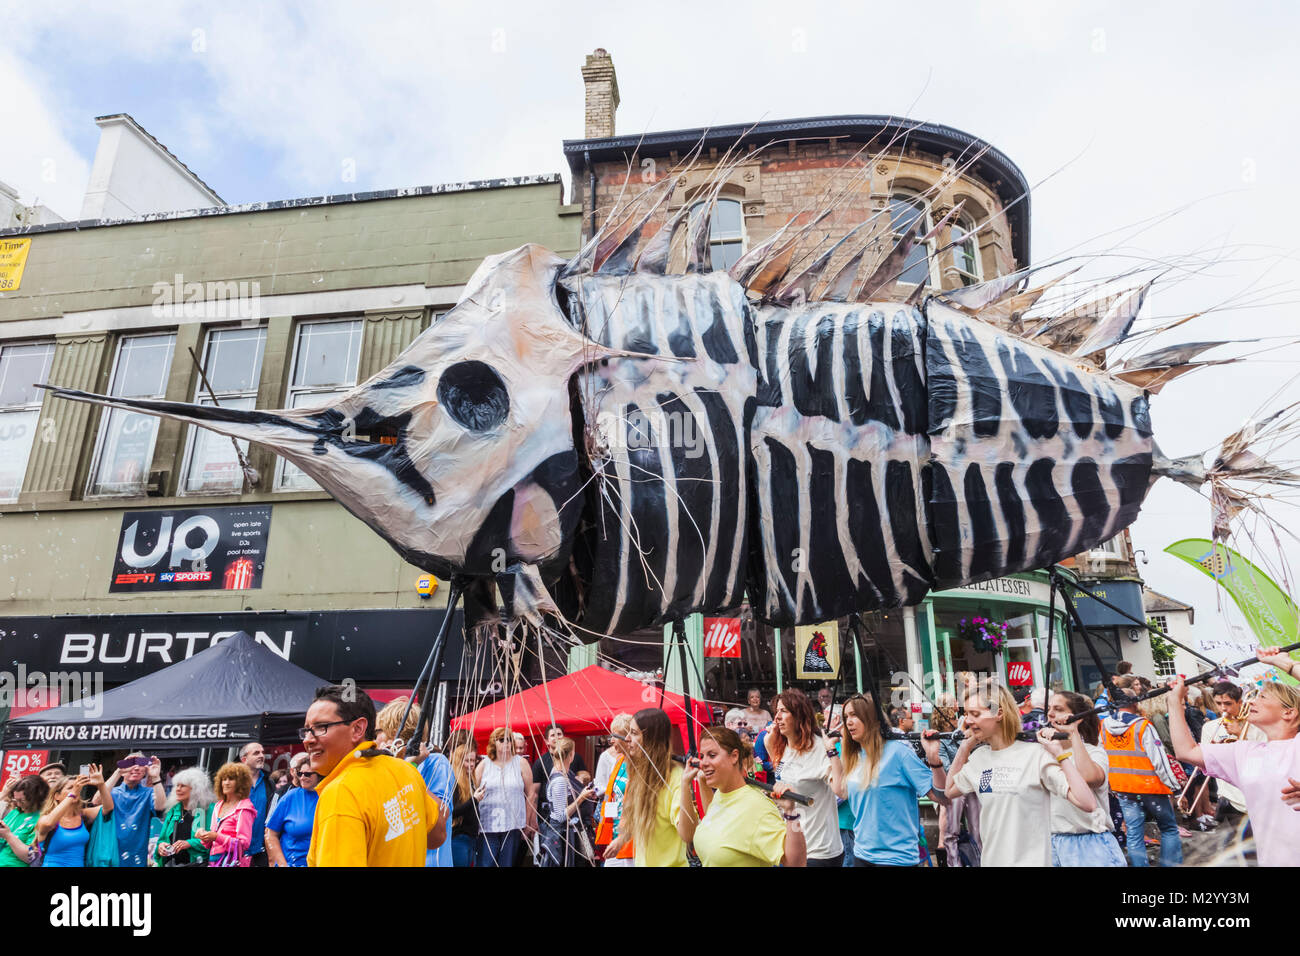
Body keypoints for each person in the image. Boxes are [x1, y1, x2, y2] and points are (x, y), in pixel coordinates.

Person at [1168, 648, 1300, 867]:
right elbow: (1186, 751)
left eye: (1262, 697)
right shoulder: (1243, 752)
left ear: (1289, 712)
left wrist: (1284, 663)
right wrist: (1174, 703)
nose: (1252, 702)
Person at [946, 679, 1097, 866]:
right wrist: (964, 748)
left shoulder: (1034, 755)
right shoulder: (979, 758)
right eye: (966, 714)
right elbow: (950, 790)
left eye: (975, 714)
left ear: (998, 713)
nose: (967, 721)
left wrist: (1060, 755)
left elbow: (1087, 802)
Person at [303, 684, 444, 866]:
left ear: (357, 729)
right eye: (307, 730)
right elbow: (437, 835)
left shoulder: (342, 793)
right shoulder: (404, 770)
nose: (307, 739)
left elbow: (437, 836)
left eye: (321, 727)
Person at [835, 694, 947, 866]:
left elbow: (942, 797)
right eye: (846, 717)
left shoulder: (898, 752)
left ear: (872, 718)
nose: (848, 722)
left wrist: (934, 760)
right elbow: (842, 792)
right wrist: (831, 753)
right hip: (861, 854)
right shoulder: (854, 756)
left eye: (854, 715)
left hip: (897, 859)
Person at [684, 725, 807, 866]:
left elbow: (797, 863)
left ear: (734, 756)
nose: (703, 763)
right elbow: (717, 825)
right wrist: (700, 783)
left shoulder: (757, 807)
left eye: (712, 755)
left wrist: (792, 814)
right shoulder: (721, 794)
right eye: (702, 756)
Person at [1102, 675, 1183, 867]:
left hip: (1123, 788)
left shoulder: (1104, 725)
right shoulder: (1142, 725)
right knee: (1169, 829)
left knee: (1134, 833)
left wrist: (1110, 785)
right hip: (1151, 788)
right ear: (1135, 703)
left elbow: (1103, 757)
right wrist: (1174, 786)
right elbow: (1159, 760)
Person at [1044, 692, 1126, 867]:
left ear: (1077, 718)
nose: (1050, 714)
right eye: (1049, 709)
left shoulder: (1093, 752)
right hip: (1051, 842)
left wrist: (1073, 734)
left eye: (1058, 709)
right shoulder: (1044, 753)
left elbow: (1088, 777)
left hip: (1089, 843)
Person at [766, 688, 844, 866]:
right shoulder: (781, 745)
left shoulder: (818, 748)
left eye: (784, 711)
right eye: (776, 711)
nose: (777, 717)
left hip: (819, 851)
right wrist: (770, 747)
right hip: (792, 843)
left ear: (799, 715)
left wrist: (831, 751)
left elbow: (841, 790)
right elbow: (784, 777)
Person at [607, 707, 691, 867]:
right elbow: (638, 817)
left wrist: (687, 784)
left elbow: (687, 834)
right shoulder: (641, 772)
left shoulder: (675, 777)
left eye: (634, 733)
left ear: (651, 739)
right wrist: (621, 839)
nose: (627, 739)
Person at [1199, 680, 1266, 834]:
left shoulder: (1257, 725)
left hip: (1255, 795)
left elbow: (1264, 757)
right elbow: (1208, 761)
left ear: (1239, 702)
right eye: (1218, 703)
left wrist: (1239, 734)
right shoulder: (1210, 727)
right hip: (1228, 796)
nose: (1223, 708)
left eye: (1228, 703)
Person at [932, 693, 982, 867]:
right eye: (953, 701)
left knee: (977, 828)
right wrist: (959, 738)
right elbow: (946, 766)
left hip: (972, 781)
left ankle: (979, 859)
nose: (956, 704)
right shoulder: (942, 730)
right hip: (955, 782)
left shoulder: (964, 721)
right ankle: (953, 862)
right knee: (950, 827)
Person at [475, 726, 533, 867]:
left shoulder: (521, 763)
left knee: (507, 863)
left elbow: (531, 794)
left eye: (509, 739)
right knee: (485, 863)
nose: (506, 742)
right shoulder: (484, 764)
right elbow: (473, 793)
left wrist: (528, 822)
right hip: (487, 824)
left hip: (513, 824)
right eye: (502, 740)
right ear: (493, 742)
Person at [96, 752, 166, 867]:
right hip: (110, 854)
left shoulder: (148, 793)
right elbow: (97, 801)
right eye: (130, 763)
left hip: (136, 857)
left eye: (141, 764)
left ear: (145, 771)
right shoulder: (113, 792)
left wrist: (156, 777)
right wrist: (118, 772)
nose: (136, 767)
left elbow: (161, 806)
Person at [37, 766, 114, 867]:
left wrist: (101, 785)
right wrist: (73, 793)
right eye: (70, 788)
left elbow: (108, 808)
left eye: (77, 788)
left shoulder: (83, 814)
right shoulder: (45, 818)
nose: (76, 791)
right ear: (57, 796)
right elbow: (48, 823)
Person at [540, 737, 597, 867]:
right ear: (571, 755)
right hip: (566, 838)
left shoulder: (567, 773)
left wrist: (587, 795)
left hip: (580, 832)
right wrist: (581, 798)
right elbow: (560, 816)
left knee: (589, 860)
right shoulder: (559, 780)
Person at [198, 762, 257, 867]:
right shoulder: (217, 806)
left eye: (231, 779)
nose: (226, 783)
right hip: (213, 862)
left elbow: (243, 844)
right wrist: (204, 836)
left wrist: (216, 837)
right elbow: (210, 843)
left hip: (231, 862)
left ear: (241, 783)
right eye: (224, 779)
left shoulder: (245, 808)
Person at [154, 767, 214, 867]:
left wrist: (189, 843)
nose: (178, 789)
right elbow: (162, 839)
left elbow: (212, 840)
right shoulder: (174, 810)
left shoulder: (208, 810)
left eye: (183, 786)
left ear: (196, 789)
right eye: (177, 785)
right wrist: (161, 846)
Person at [596, 714, 635, 867]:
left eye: (615, 736)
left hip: (632, 841)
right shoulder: (619, 761)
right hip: (615, 836)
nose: (611, 740)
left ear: (628, 737)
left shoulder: (640, 765)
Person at [267, 760, 319, 867]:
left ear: (320, 774)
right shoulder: (290, 796)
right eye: (300, 773)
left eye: (307, 774)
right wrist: (282, 864)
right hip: (292, 862)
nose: (303, 777)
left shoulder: (328, 796)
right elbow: (270, 834)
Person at [0, 774, 49, 867]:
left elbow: (32, 857)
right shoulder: (15, 812)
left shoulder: (43, 819)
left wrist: (8, 835)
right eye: (15, 800)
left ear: (36, 798)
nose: (18, 804)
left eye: (22, 801)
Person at [449, 739, 483, 867]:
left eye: (473, 761)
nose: (471, 764)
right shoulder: (454, 784)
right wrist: (474, 800)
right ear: (459, 761)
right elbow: (453, 811)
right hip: (459, 837)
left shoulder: (471, 781)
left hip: (471, 837)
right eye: (467, 761)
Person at [238, 742, 272, 867]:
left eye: (263, 752)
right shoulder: (232, 781)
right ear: (244, 759)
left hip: (261, 851)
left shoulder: (269, 782)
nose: (262, 755)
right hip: (236, 850)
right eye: (256, 753)